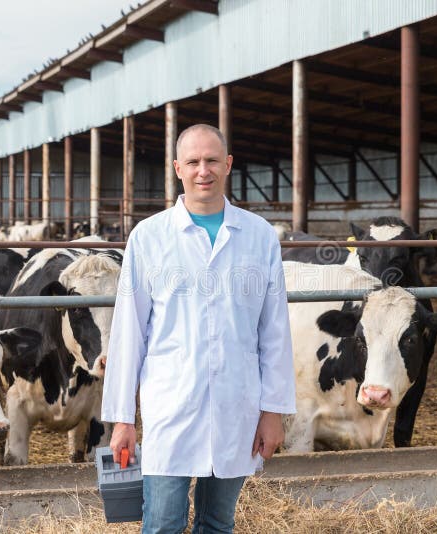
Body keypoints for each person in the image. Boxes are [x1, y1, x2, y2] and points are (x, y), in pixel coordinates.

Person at [102, 124, 296, 533]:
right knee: (162, 523)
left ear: (227, 164)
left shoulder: (259, 236)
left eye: (211, 160)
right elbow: (128, 333)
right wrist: (122, 418)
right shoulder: (149, 237)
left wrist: (273, 412)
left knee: (217, 522)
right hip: (171, 406)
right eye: (192, 162)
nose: (202, 170)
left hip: (237, 406)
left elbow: (274, 331)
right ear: (177, 168)